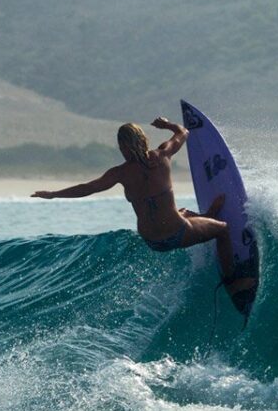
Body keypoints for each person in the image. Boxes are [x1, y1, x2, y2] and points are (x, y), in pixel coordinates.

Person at [31, 118, 256, 304]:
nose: (121, 150)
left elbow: (87, 188)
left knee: (183, 211)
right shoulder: (162, 156)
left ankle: (205, 217)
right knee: (223, 231)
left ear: (123, 147)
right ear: (143, 140)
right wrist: (166, 124)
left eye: (121, 146)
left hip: (152, 241)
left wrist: (53, 194)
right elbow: (184, 132)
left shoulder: (120, 173)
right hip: (177, 233)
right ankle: (232, 281)